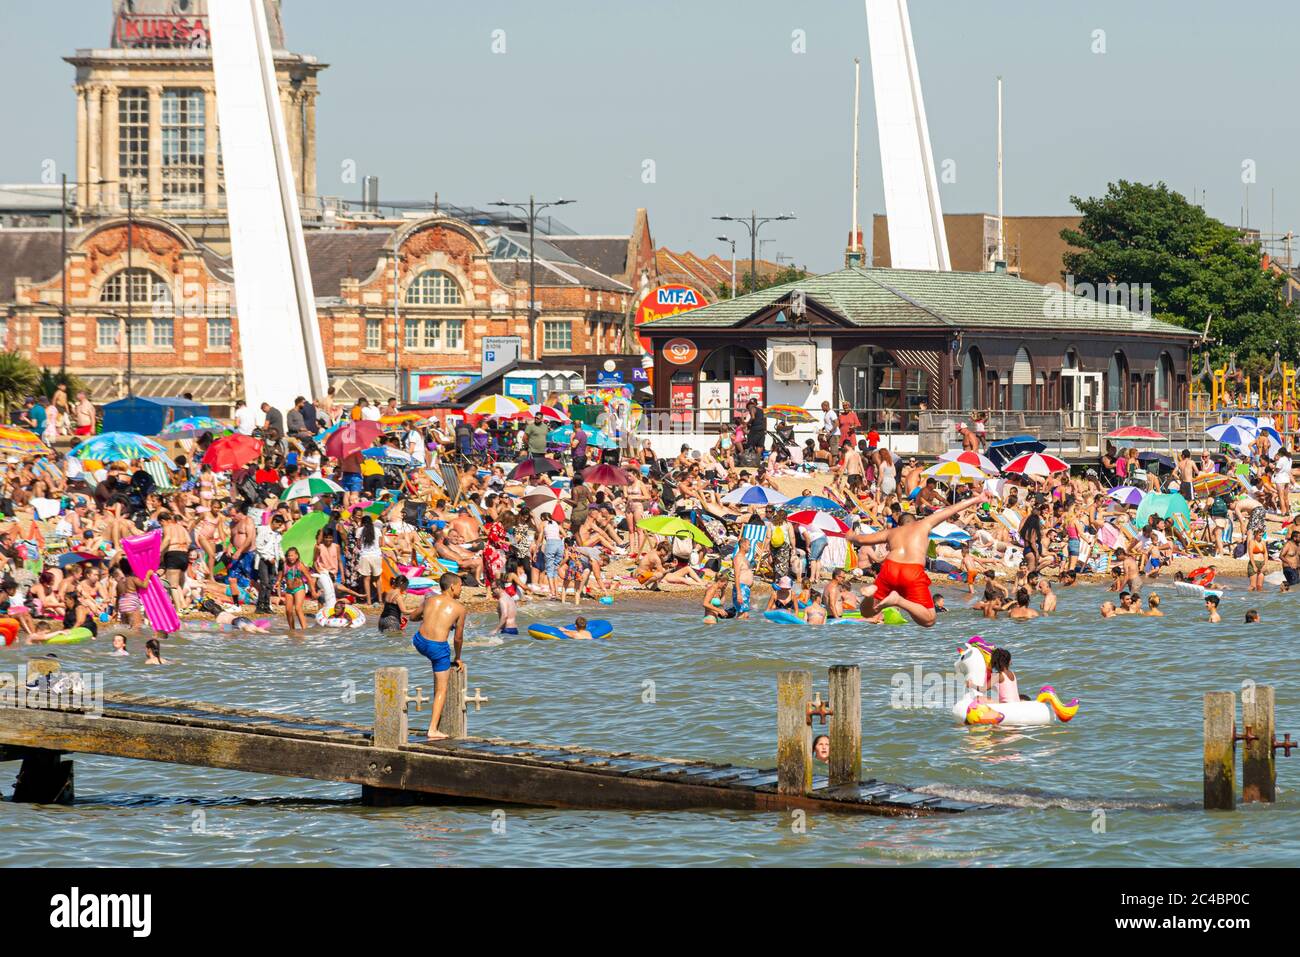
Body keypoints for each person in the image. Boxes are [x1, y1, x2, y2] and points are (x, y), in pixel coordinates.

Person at [848, 491, 992, 627]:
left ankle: (869, 595)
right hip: (912, 569)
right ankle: (898, 600)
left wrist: (850, 535)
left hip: (890, 567)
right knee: (929, 619)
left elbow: (860, 539)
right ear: (914, 521)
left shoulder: (891, 532)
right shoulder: (923, 524)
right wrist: (978, 499)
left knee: (867, 612)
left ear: (900, 524)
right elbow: (950, 510)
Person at [412, 572, 467, 740]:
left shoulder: (429, 600)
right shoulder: (460, 608)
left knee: (434, 656)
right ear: (452, 586)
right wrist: (458, 657)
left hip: (419, 641)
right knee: (441, 689)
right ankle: (433, 729)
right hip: (437, 648)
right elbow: (458, 638)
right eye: (460, 586)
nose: (461, 589)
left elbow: (412, 617)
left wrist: (429, 617)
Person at [276, 546, 316, 630]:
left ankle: (304, 629)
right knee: (288, 611)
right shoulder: (285, 565)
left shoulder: (299, 565)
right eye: (289, 556)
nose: (291, 557)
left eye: (292, 555)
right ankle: (292, 630)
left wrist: (313, 591)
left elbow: (309, 577)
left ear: (297, 556)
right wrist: (278, 582)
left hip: (299, 588)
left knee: (298, 608)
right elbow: (280, 577)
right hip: (289, 590)